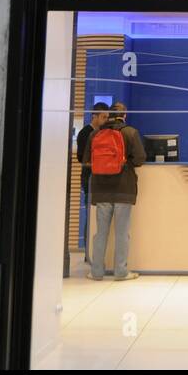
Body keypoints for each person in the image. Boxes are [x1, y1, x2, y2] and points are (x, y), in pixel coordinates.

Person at [88, 101, 146, 281]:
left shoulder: (95, 134)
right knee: (122, 233)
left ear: (109, 115)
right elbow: (139, 159)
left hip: (101, 189)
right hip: (123, 189)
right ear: (124, 115)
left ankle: (97, 272)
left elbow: (86, 160)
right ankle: (120, 271)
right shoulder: (131, 132)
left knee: (101, 233)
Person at [74, 102, 110, 262]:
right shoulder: (85, 133)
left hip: (100, 178)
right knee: (90, 214)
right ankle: (88, 253)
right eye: (103, 117)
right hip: (89, 178)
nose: (105, 120)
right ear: (94, 116)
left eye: (107, 117)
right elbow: (82, 159)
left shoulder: (104, 133)